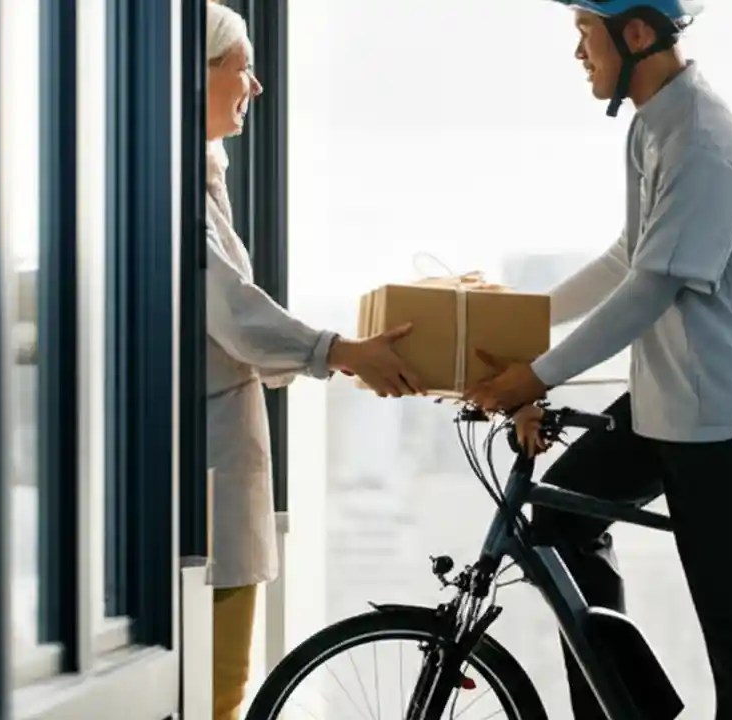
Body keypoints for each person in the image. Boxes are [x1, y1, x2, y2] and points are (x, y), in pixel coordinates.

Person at [464, 1, 732, 718]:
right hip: (672, 399)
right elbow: (631, 255)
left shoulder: (705, 142)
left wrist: (537, 374)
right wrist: (529, 321)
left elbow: (651, 288)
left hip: (727, 415)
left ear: (637, 33)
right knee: (557, 523)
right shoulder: (654, 124)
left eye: (584, 32)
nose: (578, 53)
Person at [203, 4, 421, 718]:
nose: (256, 86)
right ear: (201, 75)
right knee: (218, 690)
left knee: (223, 685)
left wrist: (339, 355)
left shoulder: (200, 180)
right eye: (243, 68)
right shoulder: (178, 191)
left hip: (220, 475)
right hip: (205, 484)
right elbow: (235, 314)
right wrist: (342, 352)